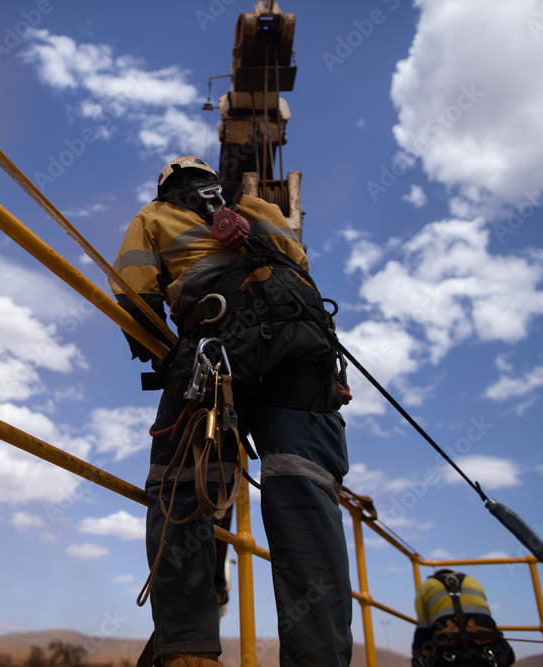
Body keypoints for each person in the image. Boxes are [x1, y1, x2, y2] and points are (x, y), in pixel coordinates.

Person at [111, 156, 353, 667]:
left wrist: (166, 358)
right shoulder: (261, 207)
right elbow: (299, 266)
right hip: (306, 357)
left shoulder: (152, 216)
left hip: (219, 353)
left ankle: (188, 651)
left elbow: (133, 295)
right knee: (305, 489)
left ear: (164, 186)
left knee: (179, 485)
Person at [412, 569, 516, 667]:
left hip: (449, 653)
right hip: (488, 649)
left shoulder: (425, 586)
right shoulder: (473, 581)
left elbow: (423, 628)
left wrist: (416, 658)